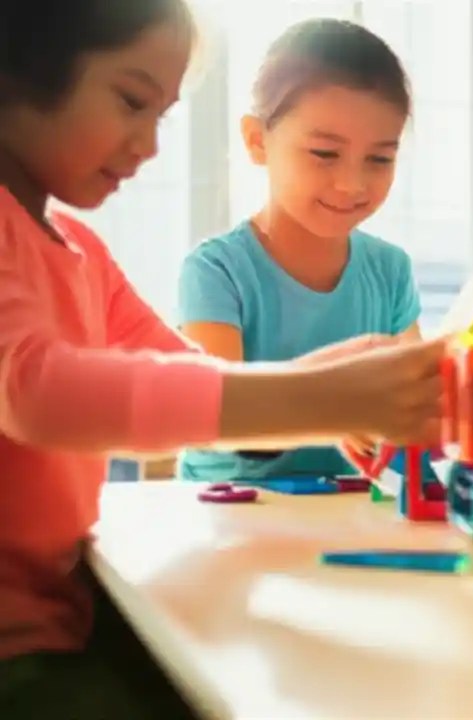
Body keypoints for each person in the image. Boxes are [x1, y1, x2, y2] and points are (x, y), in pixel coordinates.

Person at [0, 2, 444, 715]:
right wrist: (325, 397)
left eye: (162, 116)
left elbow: (195, 381)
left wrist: (329, 386)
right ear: (18, 68)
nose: (150, 146)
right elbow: (35, 392)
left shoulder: (82, 252)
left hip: (75, 618)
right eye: (131, 101)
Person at [177, 18, 422, 481]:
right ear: (257, 141)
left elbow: (417, 407)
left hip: (349, 511)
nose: (352, 184)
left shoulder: (390, 271)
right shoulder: (216, 270)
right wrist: (335, 407)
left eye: (380, 159)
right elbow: (220, 417)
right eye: (324, 154)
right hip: (231, 510)